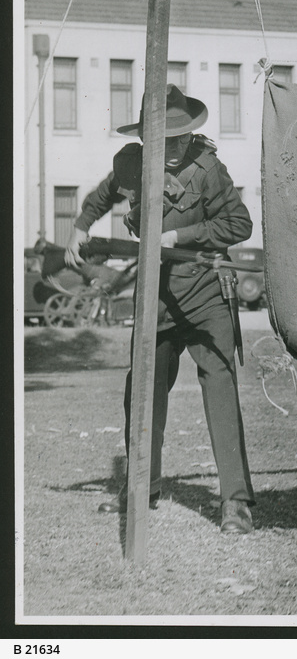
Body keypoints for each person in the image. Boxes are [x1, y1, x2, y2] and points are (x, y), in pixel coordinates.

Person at [65, 83, 257, 534]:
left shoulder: (208, 168)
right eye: (163, 139)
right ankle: (141, 488)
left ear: (192, 134)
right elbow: (104, 193)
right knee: (143, 392)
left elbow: (239, 223)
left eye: (180, 138)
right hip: (156, 298)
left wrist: (179, 237)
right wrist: (80, 226)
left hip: (206, 296)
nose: (172, 147)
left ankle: (236, 503)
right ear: (146, 137)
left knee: (221, 390)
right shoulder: (131, 163)